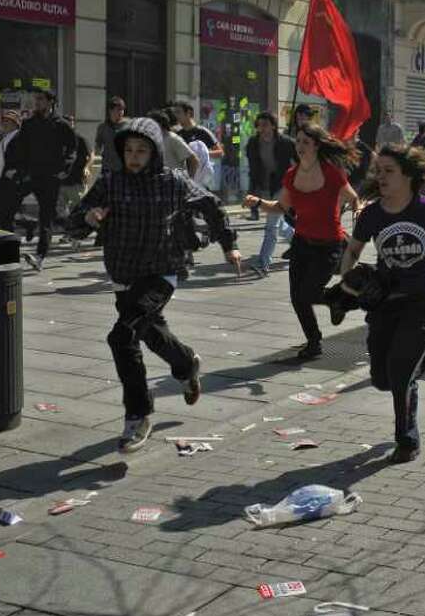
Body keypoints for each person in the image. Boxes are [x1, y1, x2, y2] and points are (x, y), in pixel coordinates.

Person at [70, 117, 241, 453]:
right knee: (148, 331)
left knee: (122, 337)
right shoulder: (111, 183)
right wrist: (87, 220)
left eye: (142, 150)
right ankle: (186, 363)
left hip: (161, 272)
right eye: (129, 150)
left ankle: (138, 415)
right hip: (123, 273)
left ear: (155, 153)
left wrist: (229, 243)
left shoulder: (173, 182)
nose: (134, 157)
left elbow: (211, 205)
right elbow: (75, 222)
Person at [338, 144, 425, 463]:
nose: (380, 177)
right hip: (384, 303)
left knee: (400, 374)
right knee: (382, 378)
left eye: (389, 171)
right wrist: (347, 279)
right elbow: (353, 250)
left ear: (408, 176)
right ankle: (412, 367)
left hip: (422, 302)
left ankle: (407, 440)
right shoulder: (372, 214)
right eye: (378, 171)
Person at [243, 125, 359, 360]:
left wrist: (355, 211)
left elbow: (353, 198)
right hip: (302, 245)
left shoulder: (331, 173)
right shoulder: (292, 175)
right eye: (298, 142)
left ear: (317, 145)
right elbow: (280, 207)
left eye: (306, 142)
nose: (300, 146)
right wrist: (257, 202)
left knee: (307, 293)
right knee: (298, 298)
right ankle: (314, 343)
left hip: (329, 245)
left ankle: (337, 299)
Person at [19, 89, 77, 271]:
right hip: (31, 175)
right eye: (36, 99)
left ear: (51, 102)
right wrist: (20, 170)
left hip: (51, 177)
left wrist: (64, 169)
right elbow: (21, 148)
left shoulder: (61, 124)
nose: (37, 102)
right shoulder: (29, 124)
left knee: (45, 215)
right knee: (9, 202)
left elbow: (72, 149)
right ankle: (72, 227)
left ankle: (39, 256)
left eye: (41, 99)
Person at [244, 111, 297, 276]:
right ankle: (299, 242)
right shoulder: (253, 143)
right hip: (264, 186)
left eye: (265, 125)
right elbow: (253, 170)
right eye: (259, 125)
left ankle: (263, 262)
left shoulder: (286, 142)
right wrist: (252, 191)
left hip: (282, 185)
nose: (262, 128)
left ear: (273, 125)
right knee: (279, 222)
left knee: (271, 226)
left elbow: (301, 161)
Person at [0, 110, 26, 232]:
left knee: (7, 215)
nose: (5, 124)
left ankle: (10, 241)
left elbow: (26, 159)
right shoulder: (1, 140)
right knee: (1, 214)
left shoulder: (20, 138)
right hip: (0, 182)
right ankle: (26, 223)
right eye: (4, 121)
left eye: (8, 121)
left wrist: (17, 172)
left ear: (15, 123)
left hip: (12, 182)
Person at [95, 96, 128, 175]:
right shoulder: (102, 127)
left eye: (122, 110)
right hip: (107, 167)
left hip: (123, 167)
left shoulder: (128, 126)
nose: (121, 112)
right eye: (118, 110)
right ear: (110, 111)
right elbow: (98, 146)